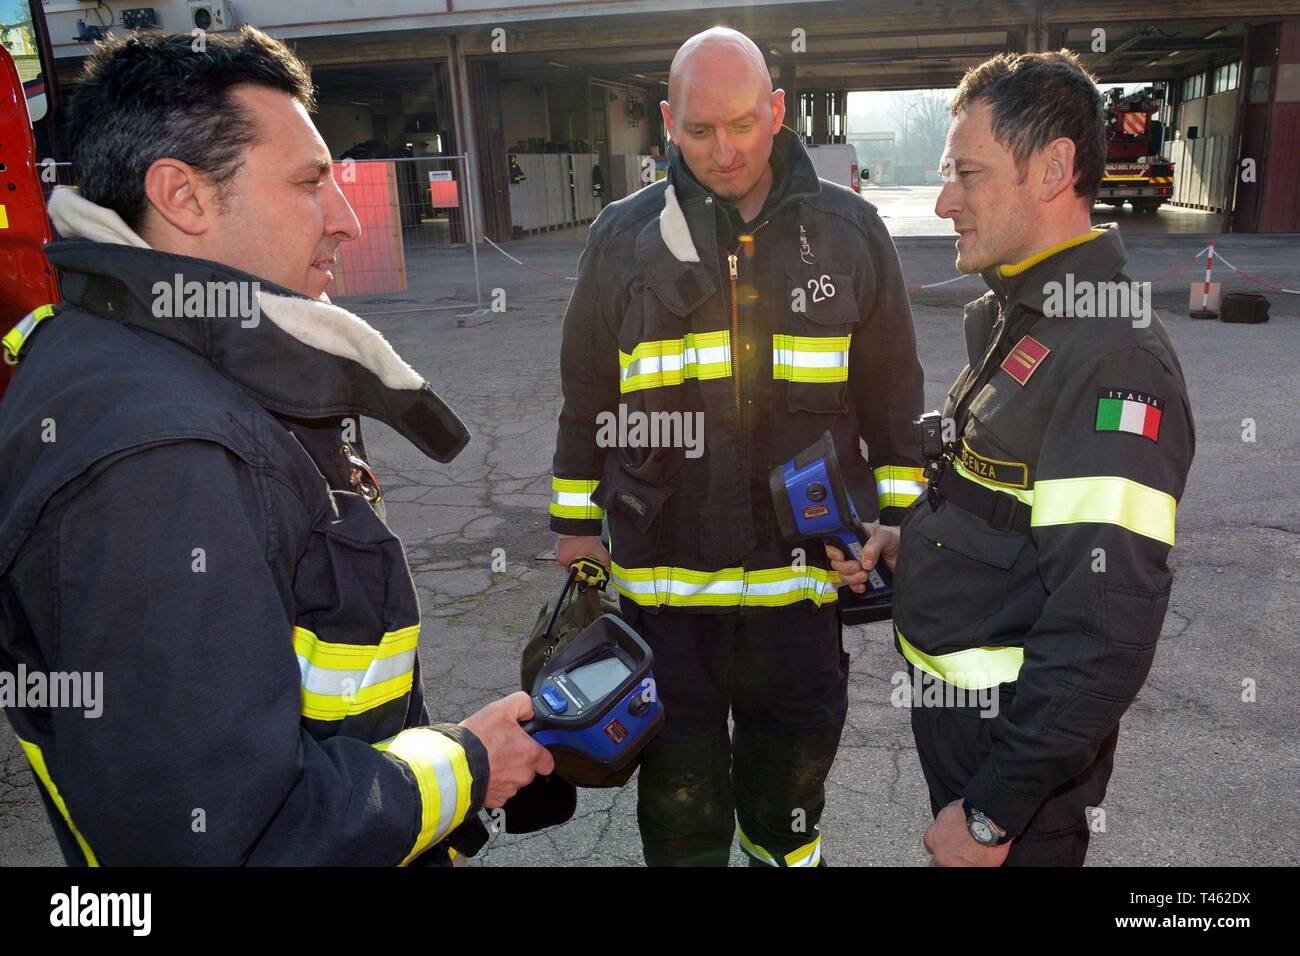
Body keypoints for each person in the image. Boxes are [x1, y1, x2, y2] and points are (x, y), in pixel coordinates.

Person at [0, 27, 552, 866]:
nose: (344, 218)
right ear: (183, 198)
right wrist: (468, 765)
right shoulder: (163, 460)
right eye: (310, 184)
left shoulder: (133, 357)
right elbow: (225, 838)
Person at [550, 27, 925, 866]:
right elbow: (588, 399)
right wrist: (574, 527)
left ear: (779, 111)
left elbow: (894, 403)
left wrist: (896, 520)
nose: (725, 151)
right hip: (664, 595)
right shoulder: (621, 239)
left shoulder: (852, 231)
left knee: (788, 802)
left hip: (799, 595)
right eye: (700, 130)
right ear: (666, 122)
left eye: (745, 125)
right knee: (679, 807)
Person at [830, 51, 1195, 866]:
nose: (942, 200)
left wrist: (995, 812)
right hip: (964, 718)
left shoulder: (1110, 359)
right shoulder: (1022, 315)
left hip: (1016, 760)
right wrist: (909, 541)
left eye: (968, 173)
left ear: (1053, 168)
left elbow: (1104, 628)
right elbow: (998, 494)